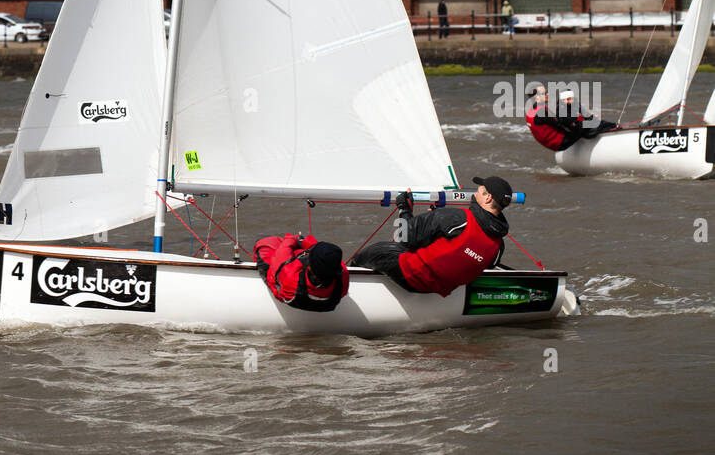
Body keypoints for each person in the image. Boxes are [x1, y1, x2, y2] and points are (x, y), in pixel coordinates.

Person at [359, 177, 512, 297]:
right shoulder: (498, 246)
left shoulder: (456, 219)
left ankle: (350, 282)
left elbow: (403, 236)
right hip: (440, 289)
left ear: (487, 198)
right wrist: (436, 220)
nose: (475, 193)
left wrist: (404, 208)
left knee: (378, 250)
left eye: (479, 191)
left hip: (412, 277)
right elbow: (460, 255)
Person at [254, 233, 349, 312]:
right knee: (308, 248)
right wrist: (305, 242)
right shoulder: (342, 275)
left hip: (282, 281)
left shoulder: (289, 274)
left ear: (310, 267)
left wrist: (292, 238)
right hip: (315, 290)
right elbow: (325, 256)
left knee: (266, 242)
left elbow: (283, 252)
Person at [525, 84, 617, 151]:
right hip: (561, 142)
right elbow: (564, 125)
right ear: (536, 97)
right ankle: (615, 128)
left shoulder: (531, 111)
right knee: (596, 123)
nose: (548, 94)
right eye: (545, 93)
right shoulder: (542, 112)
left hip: (553, 144)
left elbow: (558, 122)